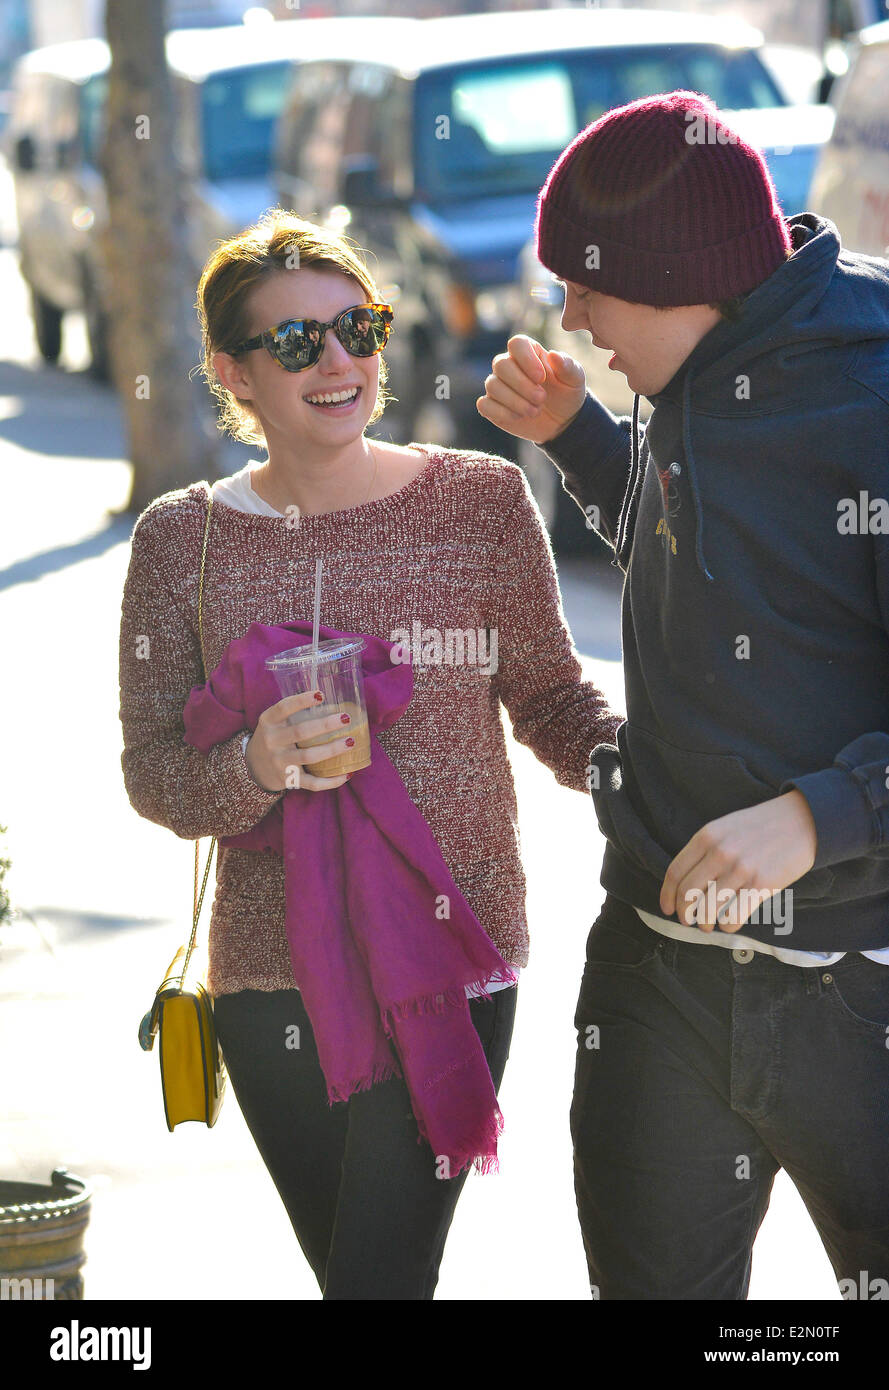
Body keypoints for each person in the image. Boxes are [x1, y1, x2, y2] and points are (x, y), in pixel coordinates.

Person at [118, 208, 623, 1300]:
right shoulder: (180, 539)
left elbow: (549, 697)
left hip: (452, 954)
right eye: (298, 342)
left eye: (359, 325)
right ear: (232, 371)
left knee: (377, 1282)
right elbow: (154, 771)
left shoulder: (480, 502)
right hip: (269, 981)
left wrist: (659, 772)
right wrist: (254, 762)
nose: (339, 360)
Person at [477, 90, 889, 1301]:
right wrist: (586, 441)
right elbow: (719, 564)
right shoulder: (706, 363)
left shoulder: (867, 406)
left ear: (673, 276)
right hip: (656, 975)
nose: (572, 322)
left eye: (585, 290)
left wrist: (820, 815)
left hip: (857, 992)